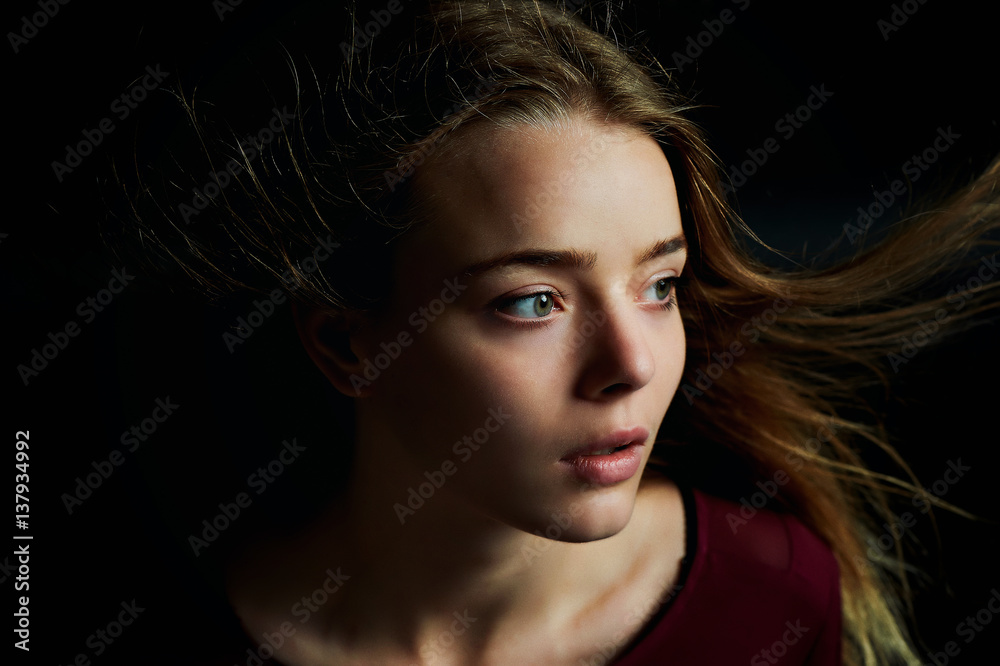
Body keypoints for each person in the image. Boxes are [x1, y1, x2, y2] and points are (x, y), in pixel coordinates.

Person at [115, 1, 1000, 664]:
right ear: (349, 345)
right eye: (534, 302)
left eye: (659, 286)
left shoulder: (770, 601)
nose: (633, 364)